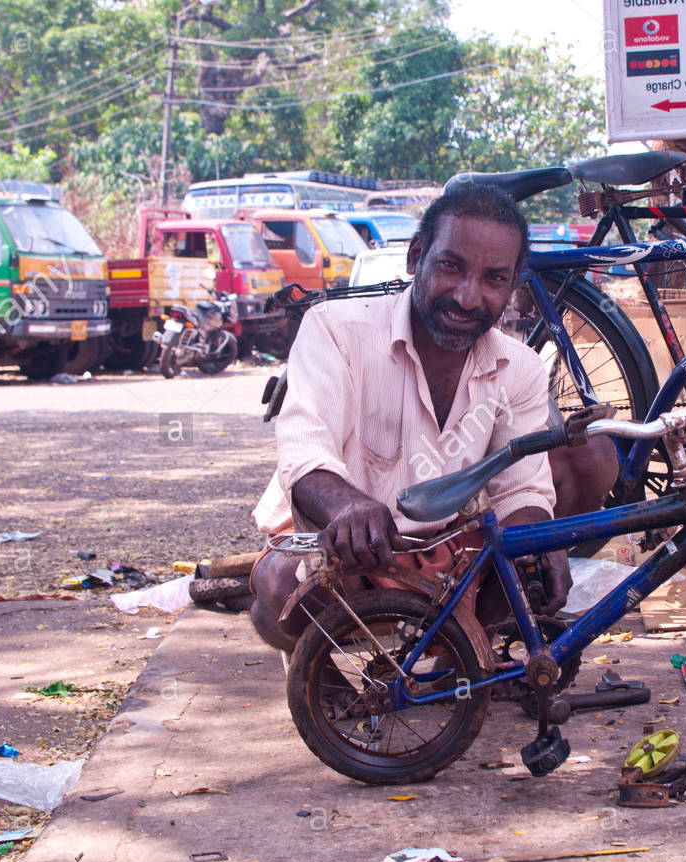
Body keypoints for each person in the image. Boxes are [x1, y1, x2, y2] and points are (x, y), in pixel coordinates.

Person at [249, 183, 618, 652]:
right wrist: (347, 507)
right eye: (451, 267)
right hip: (350, 553)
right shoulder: (335, 330)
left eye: (493, 279)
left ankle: (466, 661)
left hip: (452, 551)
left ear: (512, 284)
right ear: (416, 256)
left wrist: (540, 544)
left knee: (587, 462)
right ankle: (329, 689)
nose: (467, 298)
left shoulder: (519, 367)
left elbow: (522, 488)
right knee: (281, 589)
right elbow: (304, 450)